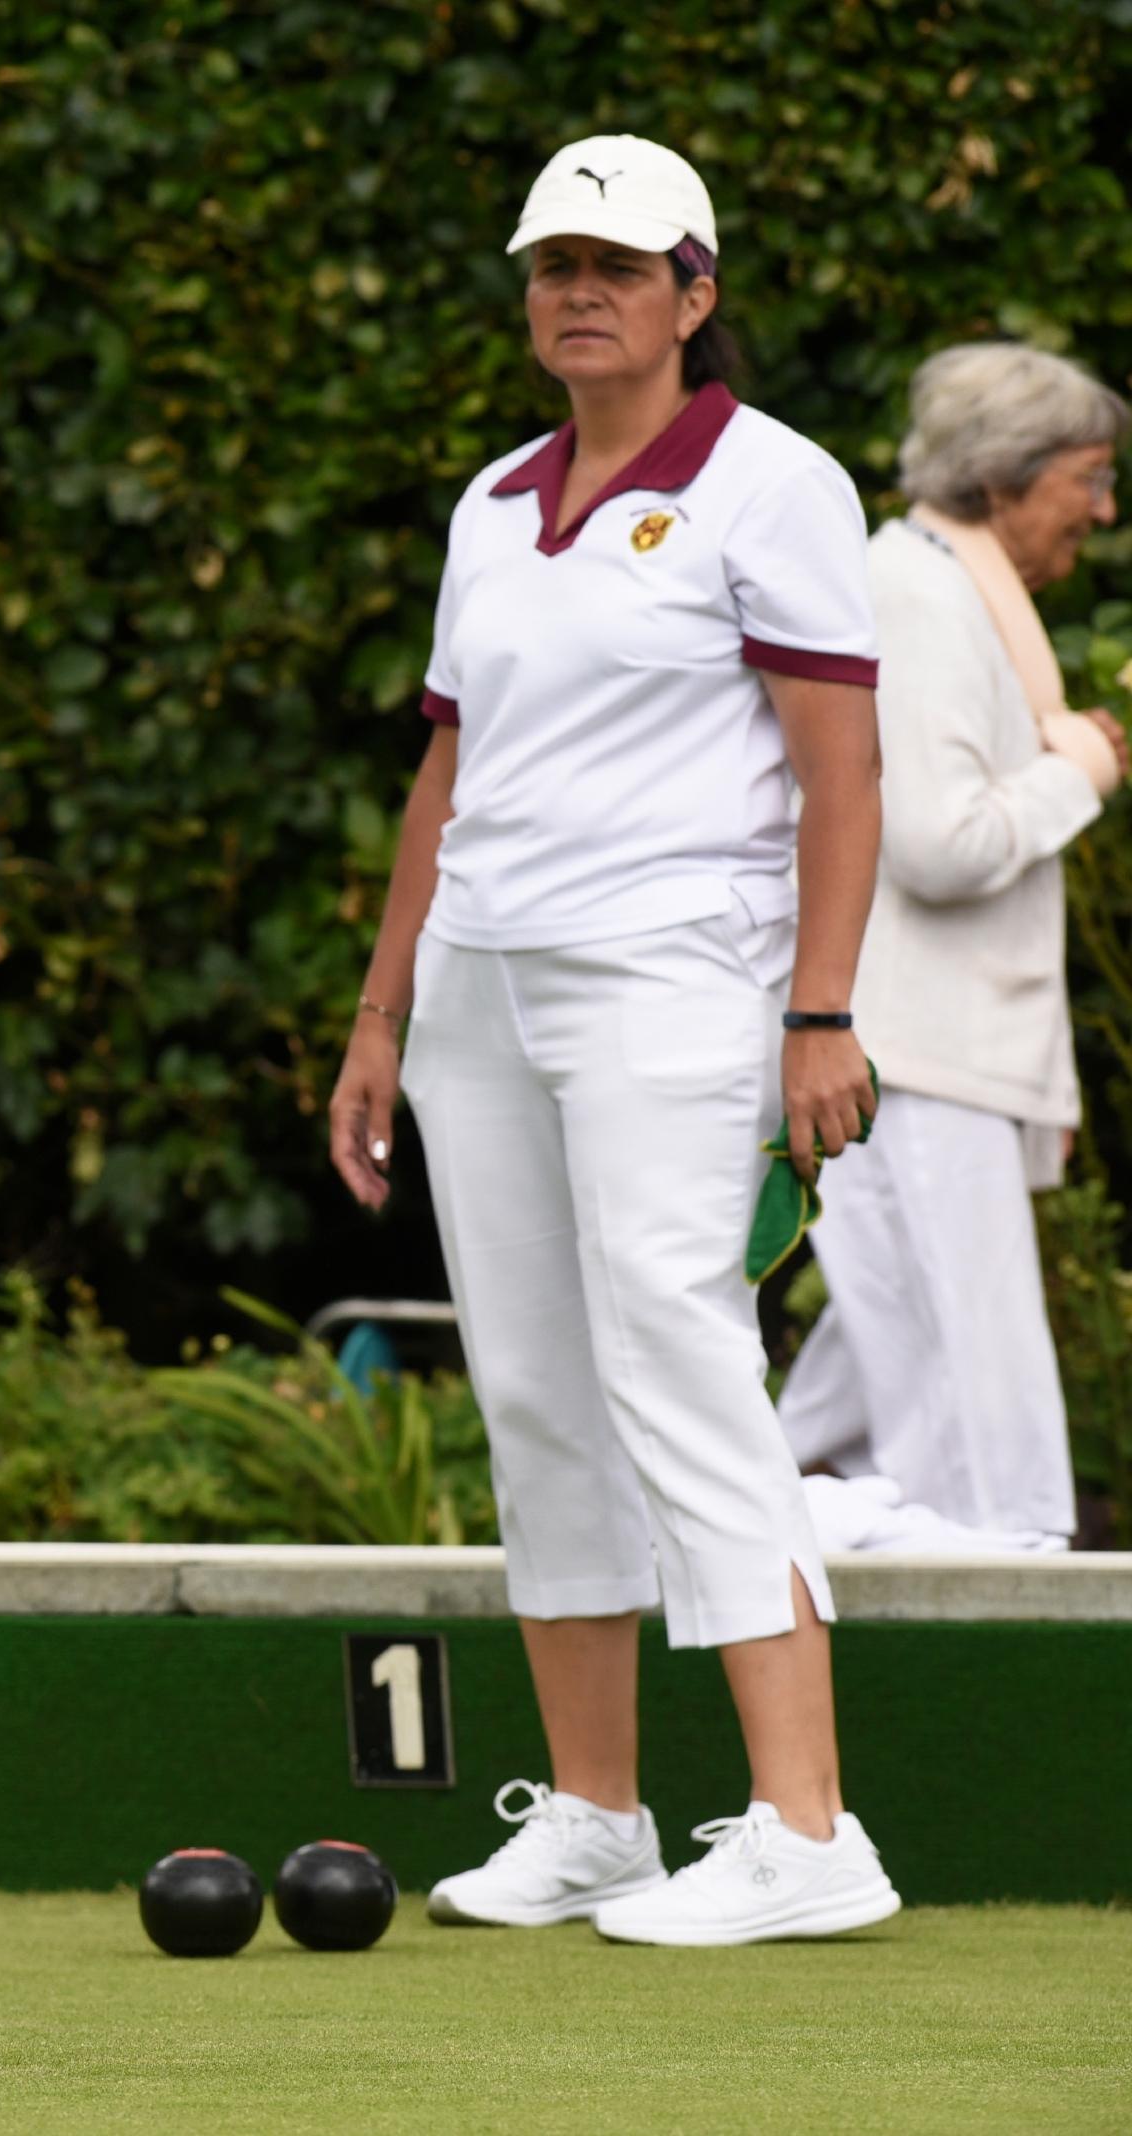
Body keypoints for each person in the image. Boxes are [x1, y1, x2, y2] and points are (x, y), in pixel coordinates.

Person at [326, 137, 901, 1946]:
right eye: (551, 264)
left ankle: (810, 1831)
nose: (578, 291)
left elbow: (842, 773)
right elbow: (448, 764)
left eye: (618, 265)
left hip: (674, 974)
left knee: (676, 1344)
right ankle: (595, 1814)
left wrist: (822, 1011)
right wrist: (379, 1005)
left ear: (694, 293)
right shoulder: (492, 504)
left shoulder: (775, 485)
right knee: (531, 1383)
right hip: (483, 986)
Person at [777, 343, 1128, 1550]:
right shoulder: (915, 594)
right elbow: (934, 843)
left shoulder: (946, 587)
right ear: (1001, 477)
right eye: (1085, 477)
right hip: (913, 1069)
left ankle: (713, 1548)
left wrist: (1038, 1086)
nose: (1103, 508)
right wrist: (1083, 765)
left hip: (932, 1063)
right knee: (982, 1449)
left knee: (882, 1379)